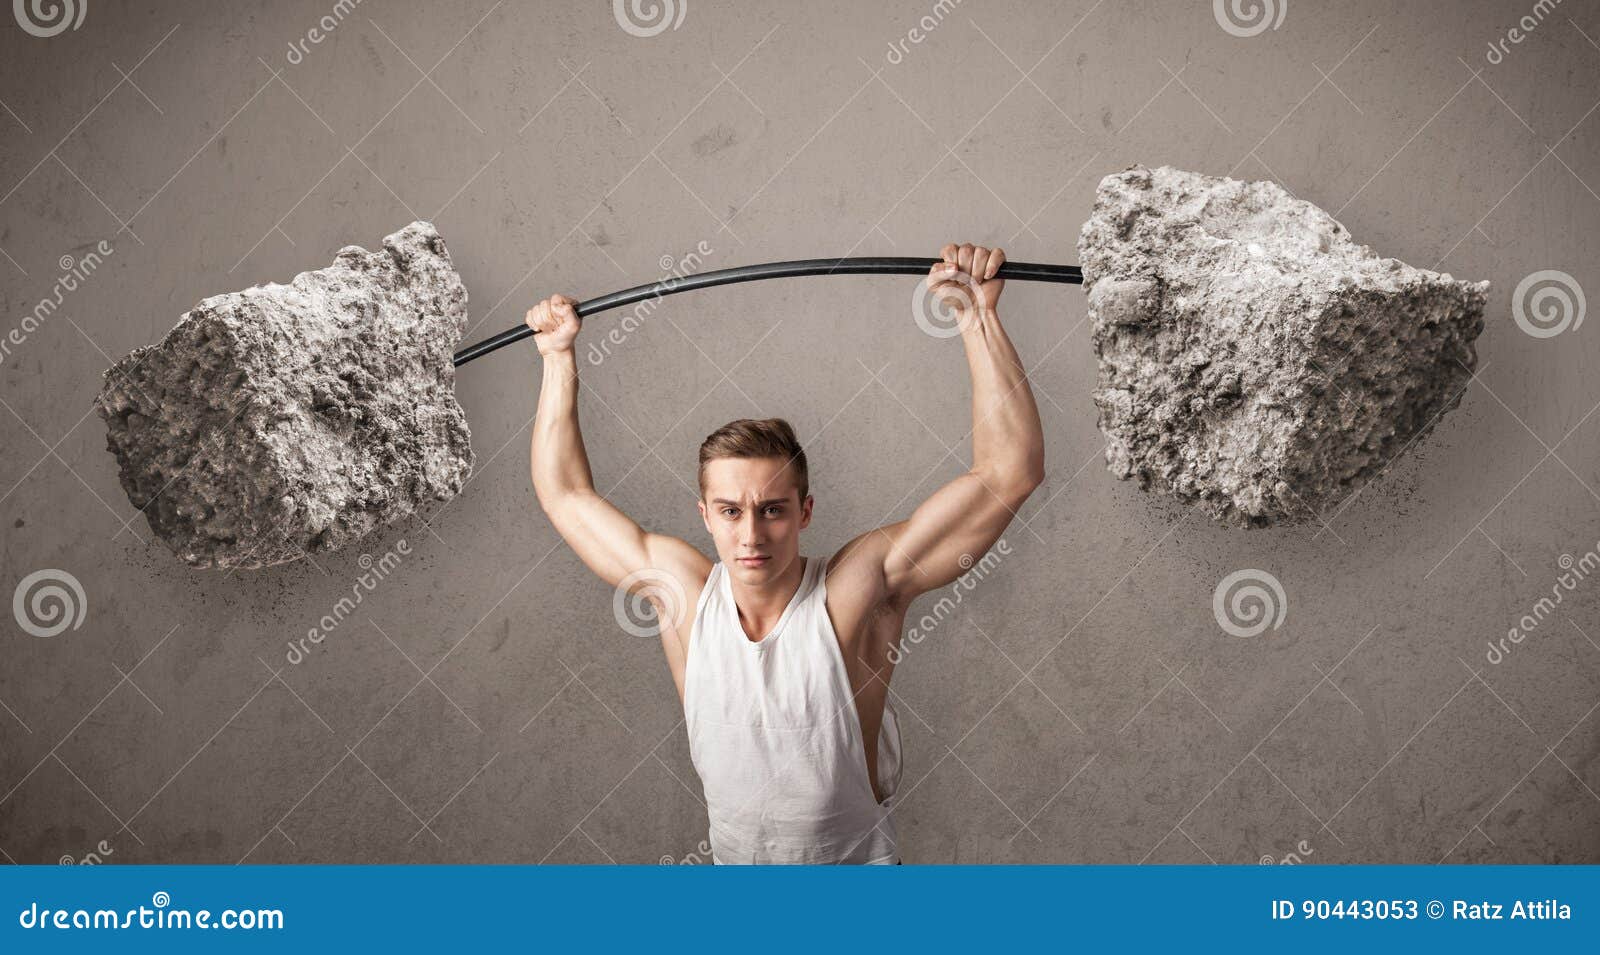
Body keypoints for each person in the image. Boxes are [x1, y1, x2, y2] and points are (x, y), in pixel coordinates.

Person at [526, 243, 1045, 864]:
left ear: (804, 512)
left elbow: (1008, 472)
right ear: (706, 517)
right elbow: (565, 494)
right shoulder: (684, 597)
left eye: (772, 510)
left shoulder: (857, 589)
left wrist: (976, 316)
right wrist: (558, 358)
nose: (751, 535)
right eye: (730, 511)